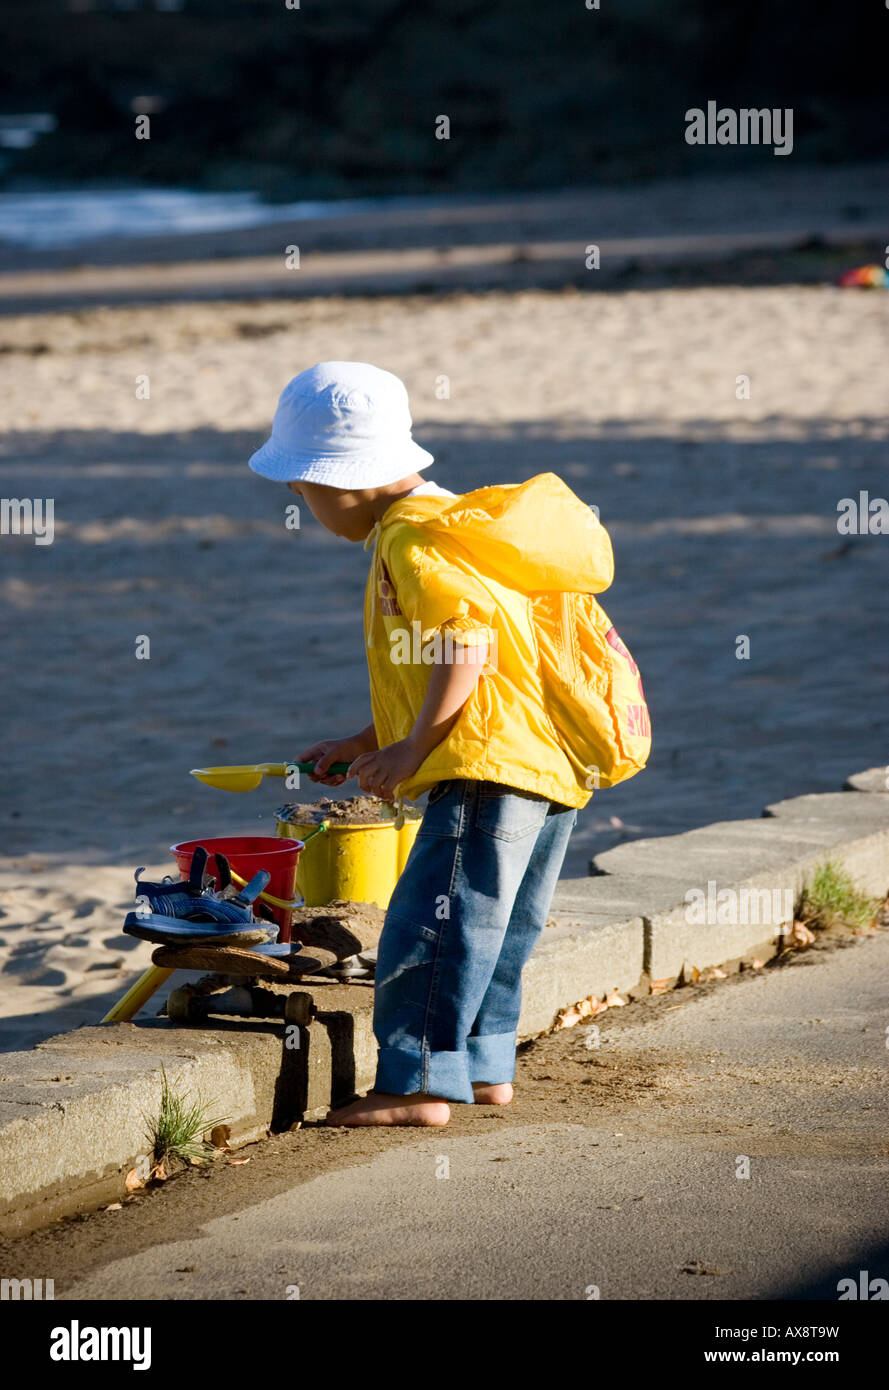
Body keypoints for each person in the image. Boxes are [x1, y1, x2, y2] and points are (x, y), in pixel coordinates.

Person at [249, 361, 613, 1125]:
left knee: (433, 920)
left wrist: (413, 751)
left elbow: (464, 650)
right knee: (500, 921)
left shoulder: (412, 545)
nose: (298, 501)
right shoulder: (460, 528)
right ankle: (482, 1069)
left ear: (342, 482)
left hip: (484, 766)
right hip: (541, 758)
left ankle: (414, 1085)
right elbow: (452, 664)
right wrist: (366, 740)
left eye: (301, 489)